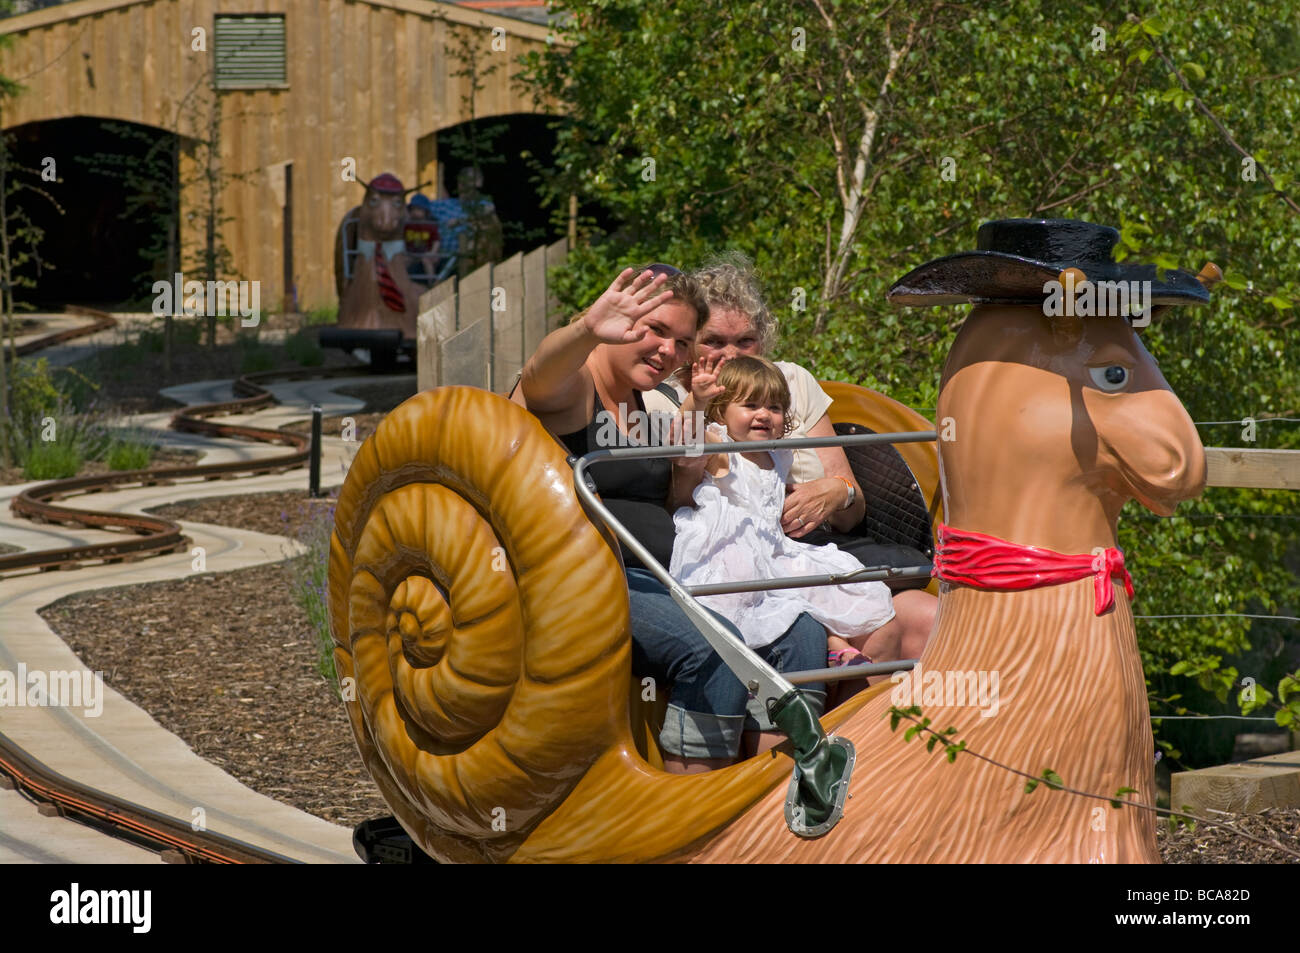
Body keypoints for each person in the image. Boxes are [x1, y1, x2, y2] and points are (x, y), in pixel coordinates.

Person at [510, 264, 828, 774]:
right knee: (714, 645)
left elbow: (682, 494)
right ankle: (696, 807)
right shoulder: (576, 391)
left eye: (682, 343)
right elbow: (538, 378)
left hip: (665, 575)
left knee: (802, 634)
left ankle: (773, 795)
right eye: (655, 330)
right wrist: (586, 330)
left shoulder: (643, 407)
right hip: (588, 578)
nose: (668, 352)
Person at [643, 254, 936, 661]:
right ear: (688, 342)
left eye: (745, 341)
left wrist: (836, 492)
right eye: (713, 342)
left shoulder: (792, 381)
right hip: (732, 558)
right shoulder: (663, 401)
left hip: (817, 549)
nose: (731, 354)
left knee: (930, 617)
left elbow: (852, 504)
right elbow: (679, 489)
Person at [671, 355, 903, 677]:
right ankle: (833, 647)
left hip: (774, 549)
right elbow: (686, 446)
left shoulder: (777, 454)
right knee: (762, 590)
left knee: (841, 585)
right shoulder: (719, 447)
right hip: (728, 549)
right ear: (721, 412)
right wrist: (696, 402)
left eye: (775, 407)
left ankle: (839, 650)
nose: (764, 414)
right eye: (750, 405)